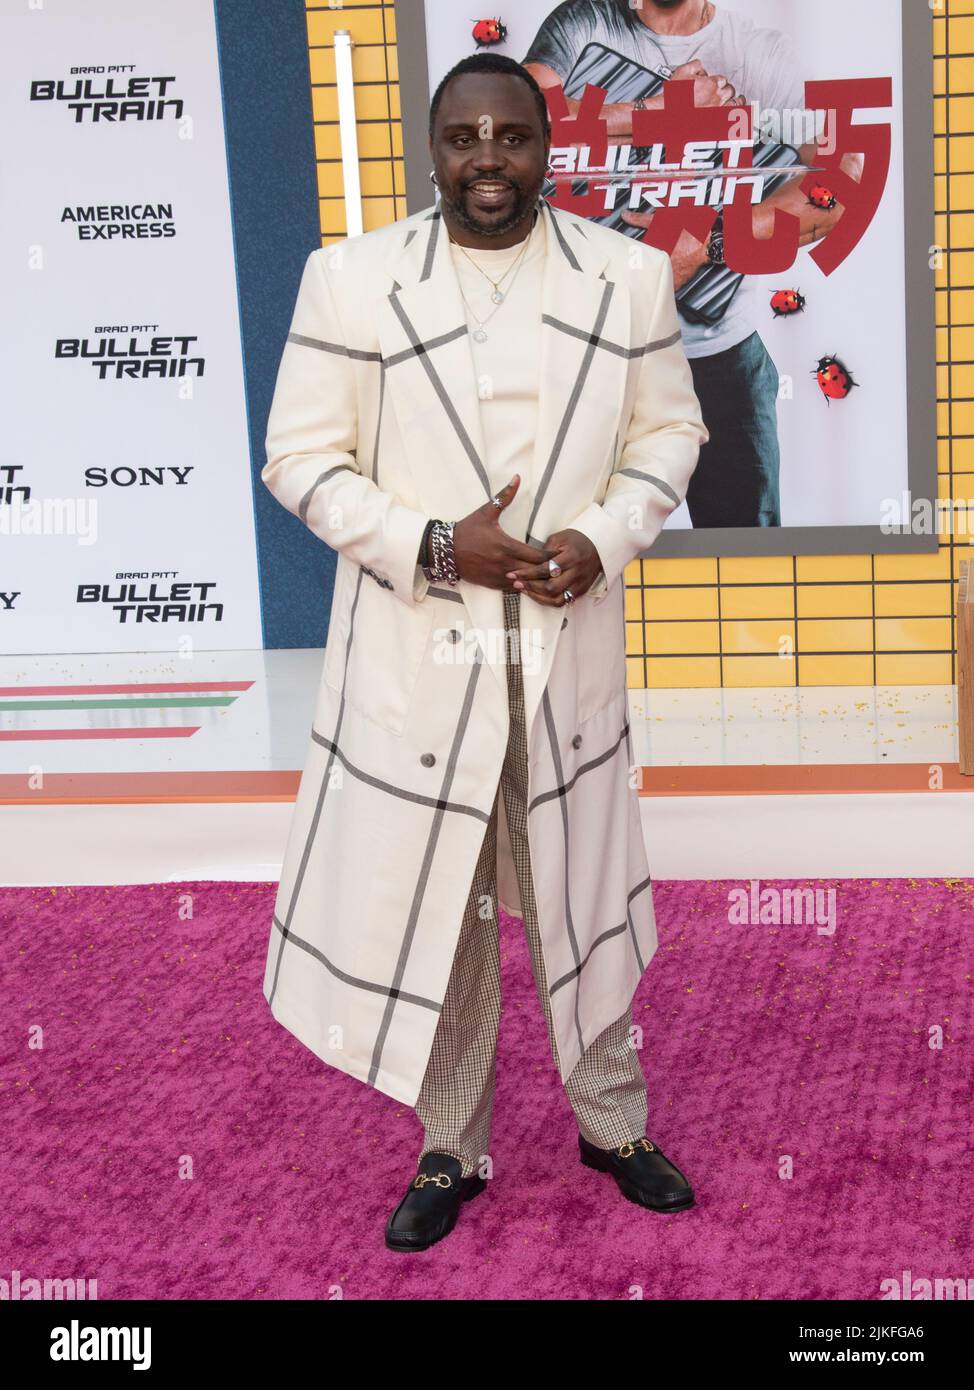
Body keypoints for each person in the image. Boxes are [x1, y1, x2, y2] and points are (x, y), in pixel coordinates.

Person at [260, 51, 708, 1252]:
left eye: (510, 138)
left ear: (545, 146)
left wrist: (599, 537)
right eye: (464, 139)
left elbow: (669, 434)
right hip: (422, 664)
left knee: (577, 898)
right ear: (432, 146)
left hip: (559, 657)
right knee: (440, 912)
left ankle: (612, 1124)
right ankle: (450, 1147)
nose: (488, 163)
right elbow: (299, 459)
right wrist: (432, 545)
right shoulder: (348, 281)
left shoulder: (623, 280)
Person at [523, 0, 862, 527]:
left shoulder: (758, 54)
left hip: (718, 357)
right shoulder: (583, 21)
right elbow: (513, 119)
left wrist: (708, 243)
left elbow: (839, 182)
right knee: (573, 551)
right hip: (590, 349)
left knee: (749, 564)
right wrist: (659, 113)